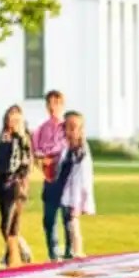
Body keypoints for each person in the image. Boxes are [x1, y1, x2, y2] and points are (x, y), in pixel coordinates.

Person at [50, 111, 95, 260]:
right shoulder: (66, 148)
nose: (69, 131)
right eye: (67, 127)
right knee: (67, 223)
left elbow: (85, 179)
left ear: (81, 130)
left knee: (73, 224)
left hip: (74, 197)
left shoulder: (81, 152)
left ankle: (78, 253)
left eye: (73, 127)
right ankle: (71, 252)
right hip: (65, 195)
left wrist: (82, 203)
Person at [32, 90, 70, 260]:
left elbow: (65, 147)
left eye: (57, 103)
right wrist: (41, 158)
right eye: (50, 103)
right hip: (49, 178)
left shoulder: (67, 127)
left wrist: (48, 155)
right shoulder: (41, 129)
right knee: (49, 218)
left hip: (66, 179)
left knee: (68, 218)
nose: (53, 107)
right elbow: (36, 149)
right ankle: (53, 252)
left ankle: (70, 250)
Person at [0, 105, 34, 267]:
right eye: (10, 117)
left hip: (16, 185)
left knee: (8, 224)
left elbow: (26, 163)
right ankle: (12, 252)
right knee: (7, 223)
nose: (13, 121)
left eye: (16, 118)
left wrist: (21, 181)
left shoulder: (23, 139)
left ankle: (19, 251)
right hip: (2, 182)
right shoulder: (4, 137)